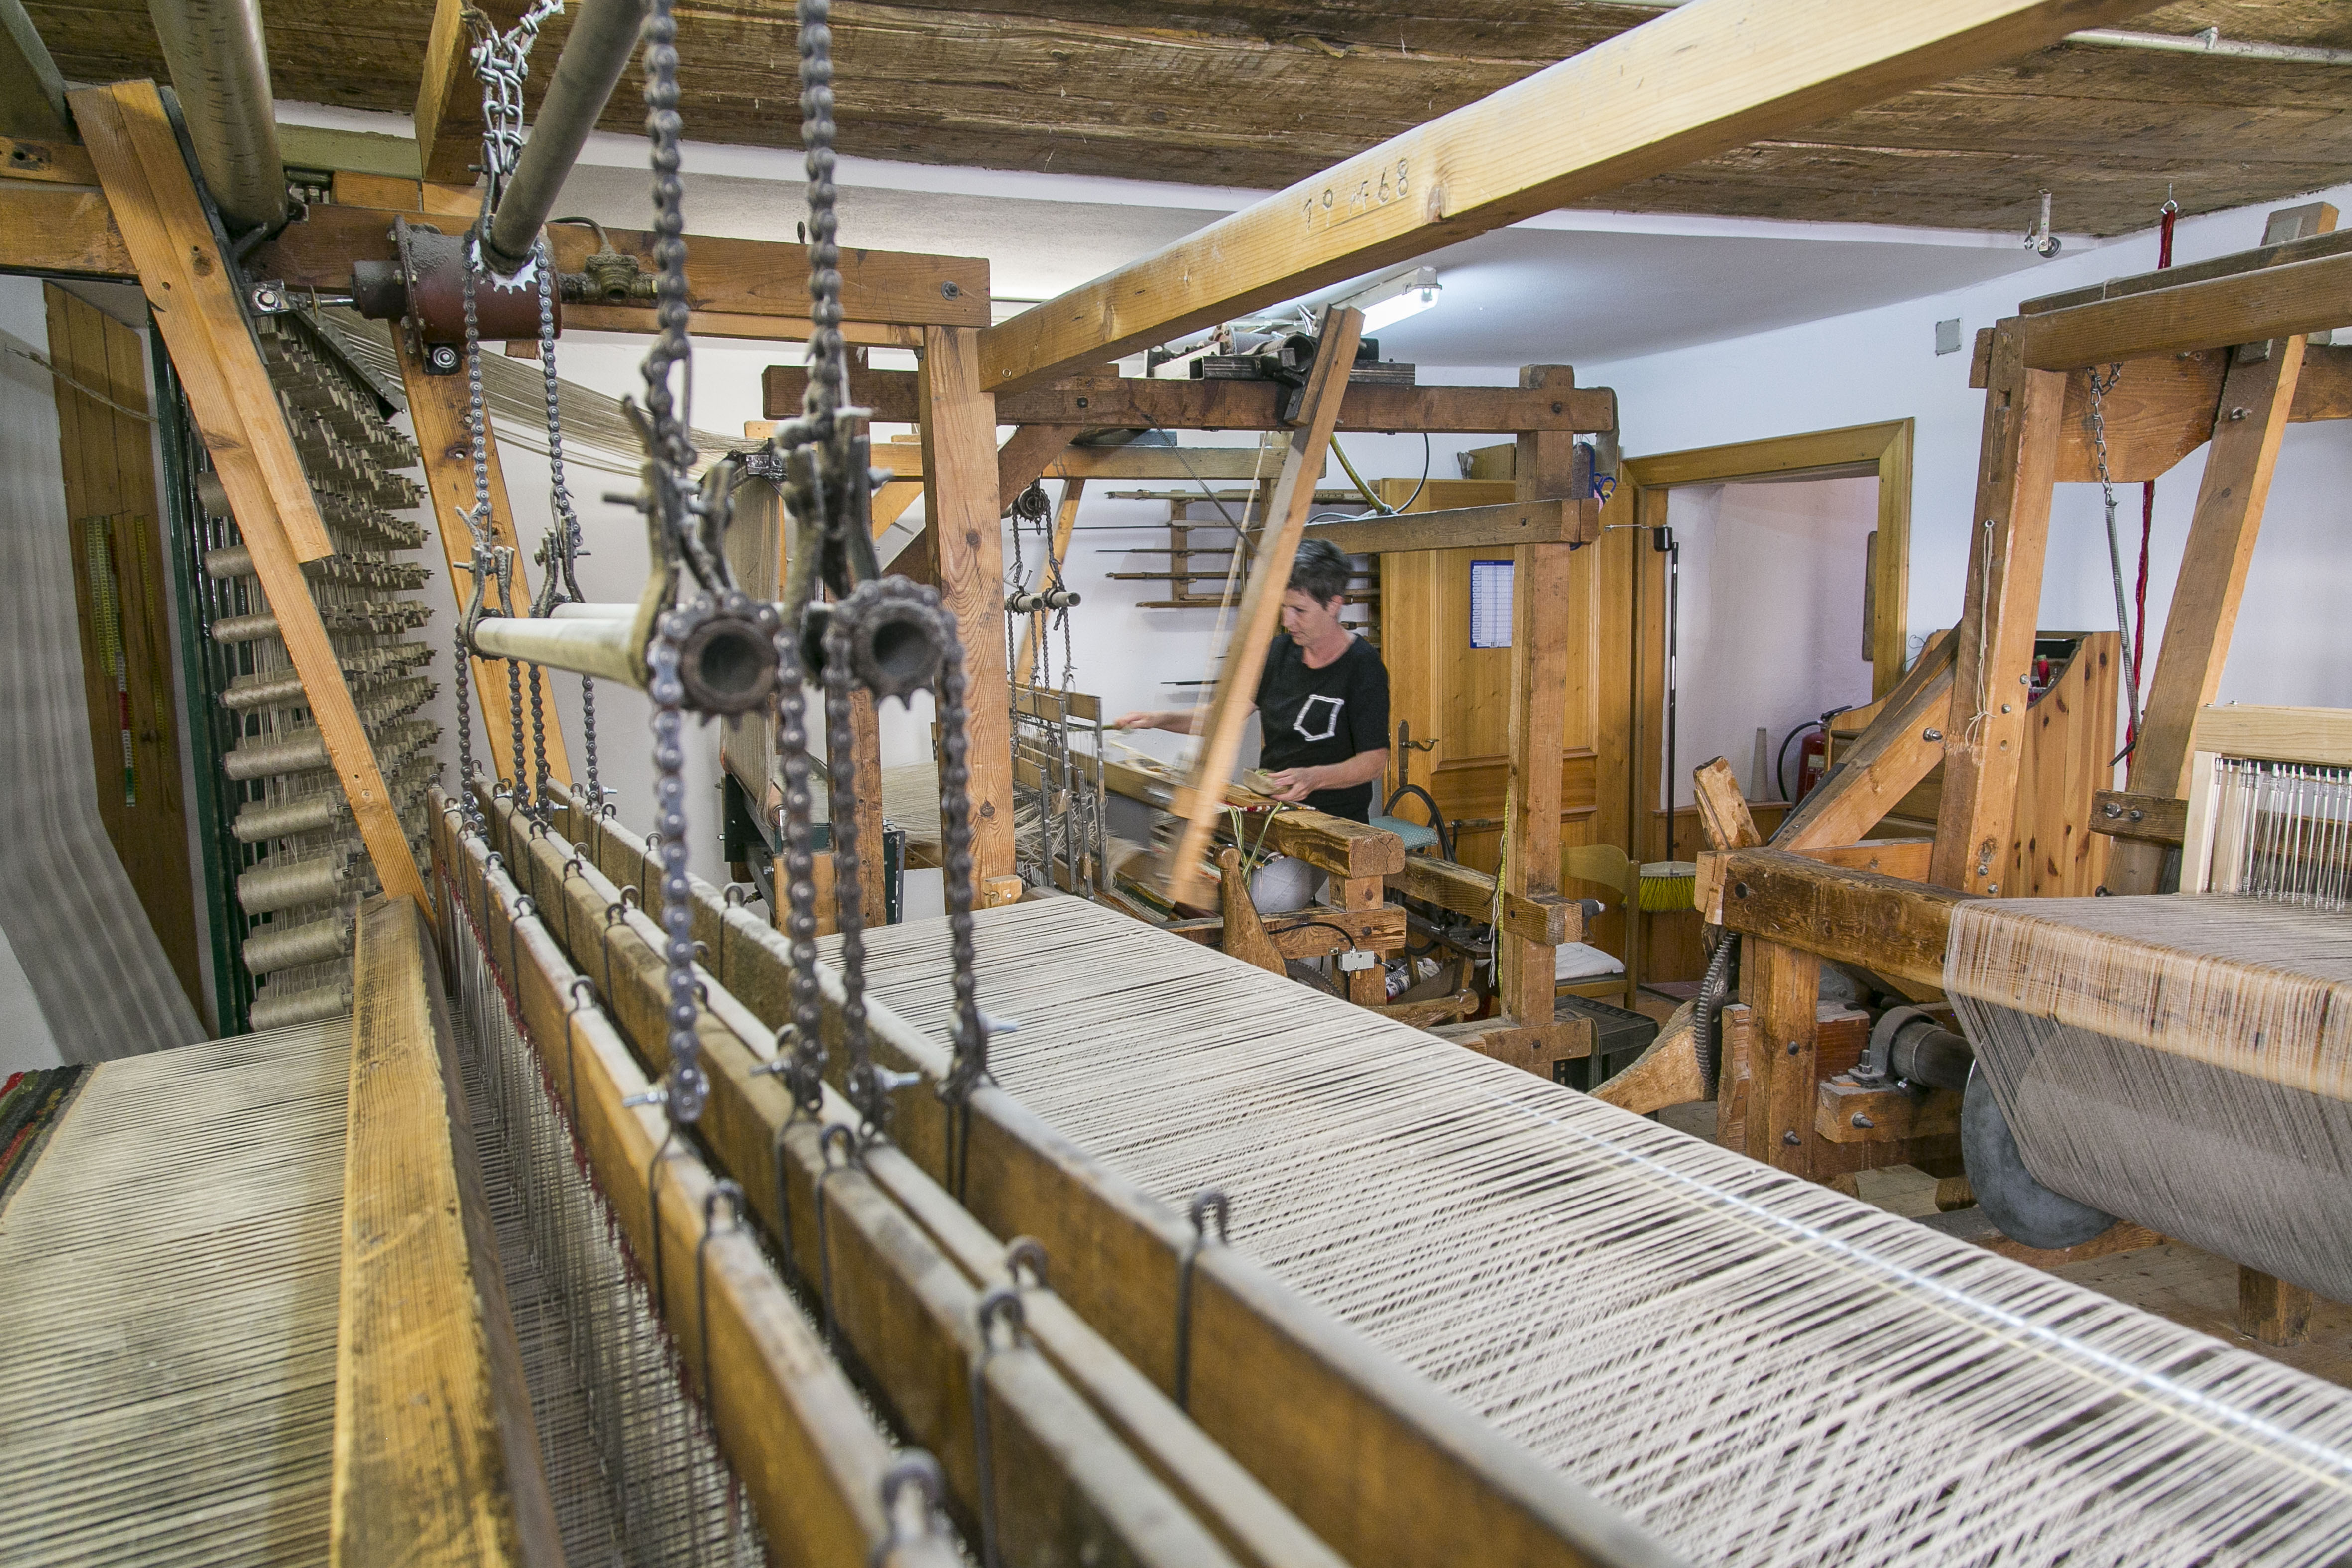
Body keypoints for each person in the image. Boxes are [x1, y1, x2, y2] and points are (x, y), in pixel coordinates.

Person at [1114, 539, 1391, 821]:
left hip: (1336, 823)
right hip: (1275, 816)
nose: (1287, 621)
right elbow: (1218, 718)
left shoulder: (1362, 665)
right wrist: (1157, 719)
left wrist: (1313, 778)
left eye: (1300, 611)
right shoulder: (1277, 653)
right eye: (1284, 608)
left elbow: (1373, 762)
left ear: (1334, 605)